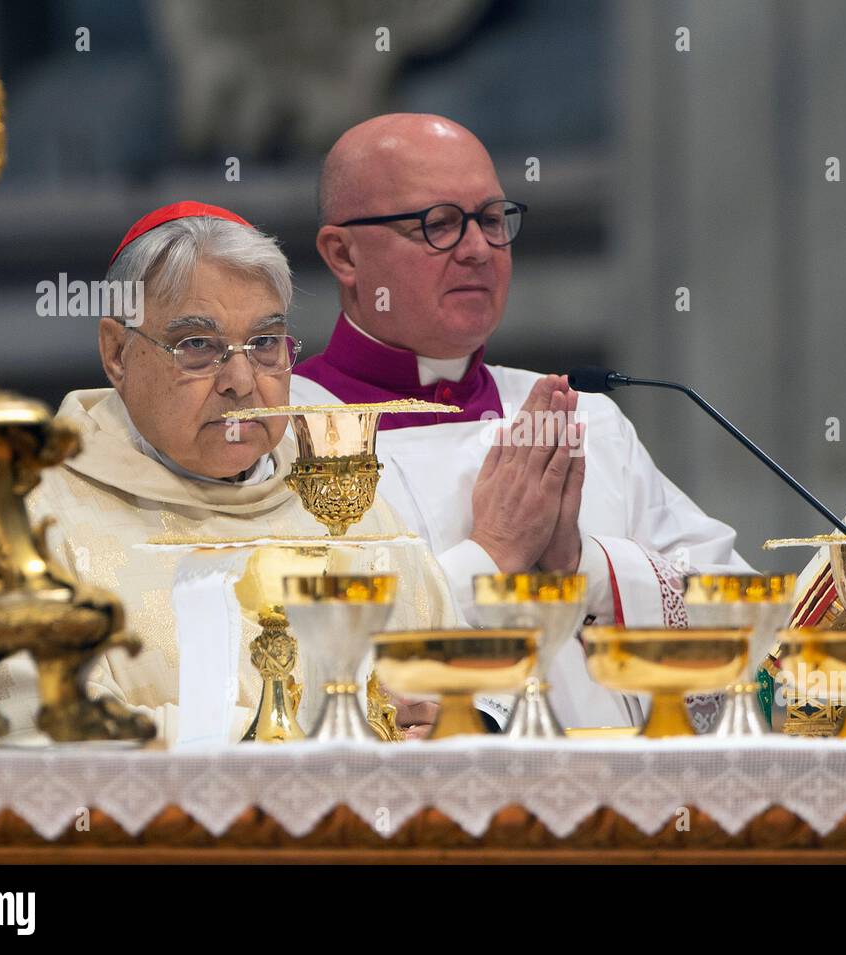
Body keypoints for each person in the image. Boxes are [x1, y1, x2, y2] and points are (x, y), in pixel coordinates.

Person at [291, 115, 753, 730]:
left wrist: (585, 567)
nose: (478, 248)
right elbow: (282, 663)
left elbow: (750, 631)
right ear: (343, 254)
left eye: (489, 218)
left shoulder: (586, 420)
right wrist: (495, 552)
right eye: (439, 223)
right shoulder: (288, 436)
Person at [0, 202, 457, 741]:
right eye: (198, 347)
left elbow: (458, 691)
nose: (240, 380)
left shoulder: (345, 499)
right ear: (117, 353)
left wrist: (449, 727)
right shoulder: (33, 518)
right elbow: (40, 735)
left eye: (263, 344)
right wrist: (299, 741)